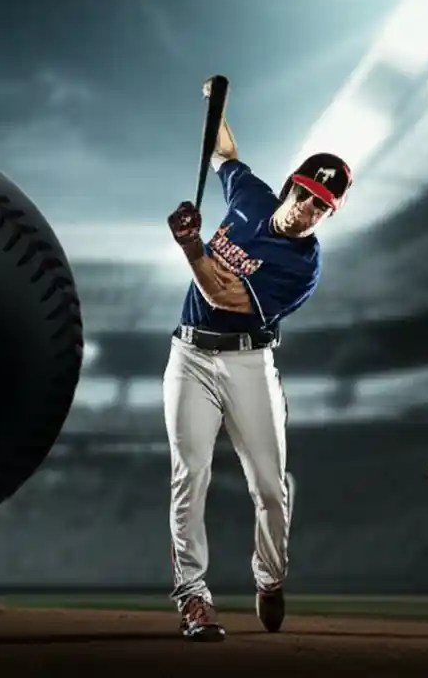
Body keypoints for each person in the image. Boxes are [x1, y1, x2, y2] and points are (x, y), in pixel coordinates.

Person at [163, 80, 353, 641]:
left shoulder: (302, 265)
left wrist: (192, 246)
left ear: (327, 215)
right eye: (305, 195)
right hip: (189, 355)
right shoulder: (250, 196)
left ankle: (270, 577)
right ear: (291, 186)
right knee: (189, 475)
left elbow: (226, 296)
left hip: (249, 364)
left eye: (321, 207)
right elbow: (223, 153)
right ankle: (193, 597)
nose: (308, 210)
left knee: (270, 487)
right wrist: (216, 106)